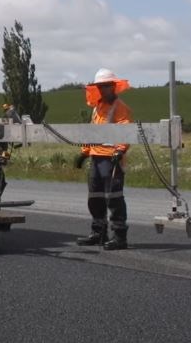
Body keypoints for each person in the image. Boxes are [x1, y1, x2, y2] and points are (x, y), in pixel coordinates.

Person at [74, 68, 132, 250]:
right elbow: (93, 132)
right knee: (95, 197)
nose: (103, 89)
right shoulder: (96, 108)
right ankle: (98, 233)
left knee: (113, 198)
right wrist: (84, 152)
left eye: (106, 86)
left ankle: (119, 237)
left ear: (113, 86)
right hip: (96, 158)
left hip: (111, 159)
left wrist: (120, 150)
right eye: (100, 86)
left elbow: (125, 130)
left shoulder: (120, 107)